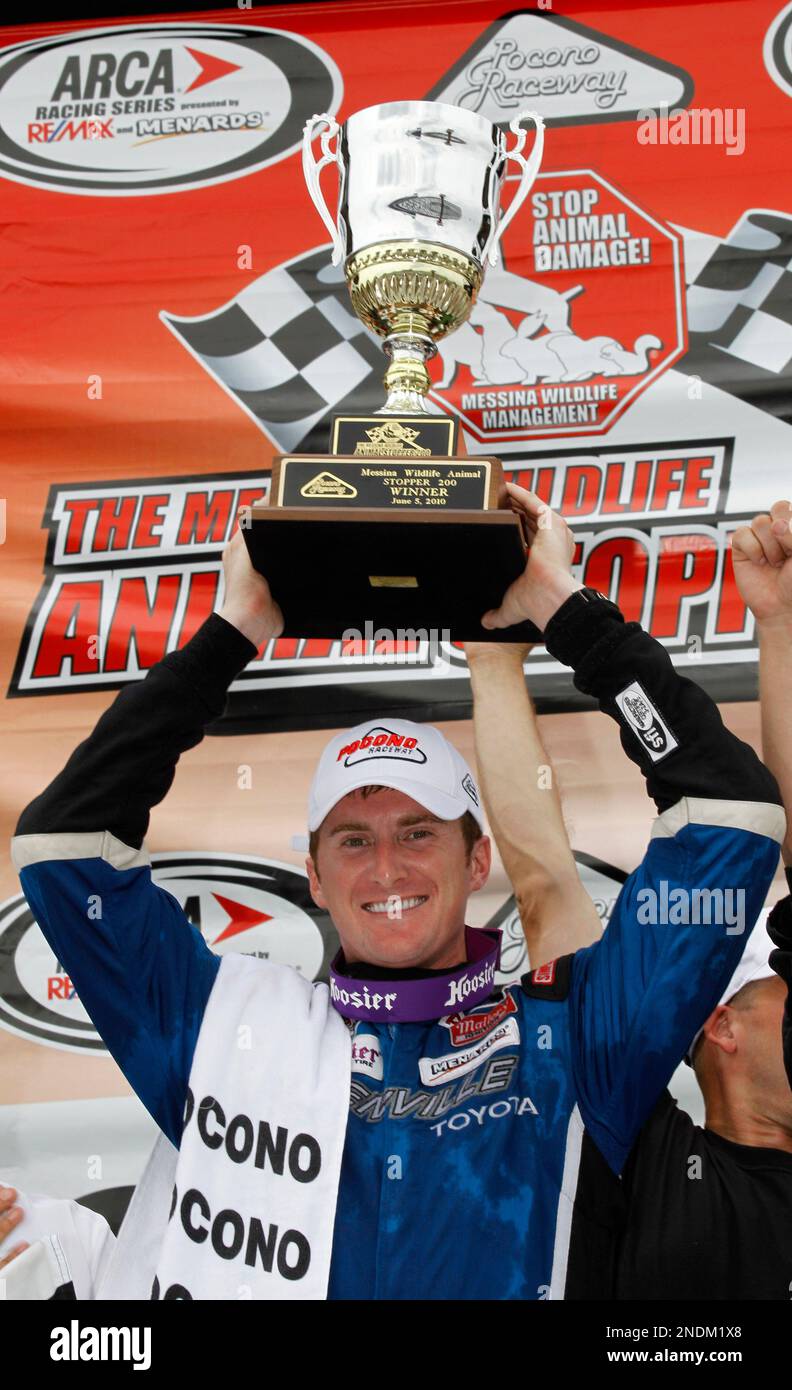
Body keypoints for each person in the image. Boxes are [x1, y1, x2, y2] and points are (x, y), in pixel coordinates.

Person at [11, 487, 784, 1300]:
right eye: (353, 840)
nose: (387, 870)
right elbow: (69, 845)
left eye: (418, 833)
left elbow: (727, 813)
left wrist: (561, 607)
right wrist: (232, 633)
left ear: (477, 857)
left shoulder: (577, 1033)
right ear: (313, 876)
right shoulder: (226, 1028)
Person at [466, 496, 792, 1299]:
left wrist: (781, 628)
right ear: (722, 1026)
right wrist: (493, 658)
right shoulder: (621, 1139)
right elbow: (543, 888)